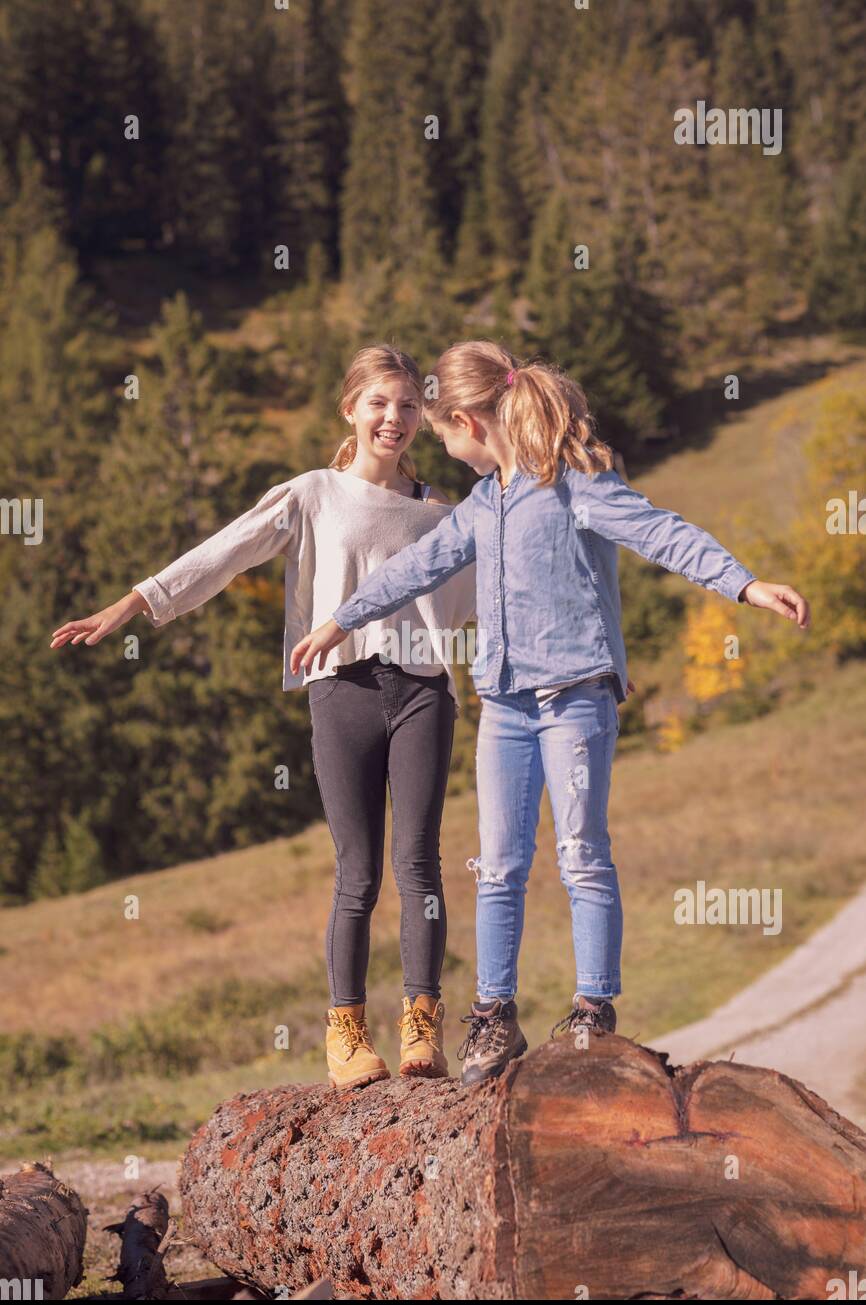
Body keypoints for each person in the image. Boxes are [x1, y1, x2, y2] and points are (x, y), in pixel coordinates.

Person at [290, 339, 811, 1085]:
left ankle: (594, 1010)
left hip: (576, 696)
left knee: (580, 854)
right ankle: (494, 1017)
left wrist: (745, 585)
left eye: (442, 431)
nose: (440, 444)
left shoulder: (577, 484)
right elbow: (414, 569)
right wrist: (343, 619)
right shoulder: (481, 504)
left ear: (470, 421)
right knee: (497, 864)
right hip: (504, 704)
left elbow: (662, 532)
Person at [49, 346, 476, 1090]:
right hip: (340, 692)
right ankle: (346, 1030)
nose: (395, 419)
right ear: (350, 409)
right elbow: (226, 552)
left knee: (419, 863)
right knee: (359, 871)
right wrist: (135, 602)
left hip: (422, 695)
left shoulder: (443, 513)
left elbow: (484, 598)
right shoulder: (314, 494)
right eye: (380, 403)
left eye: (409, 406)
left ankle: (421, 1023)